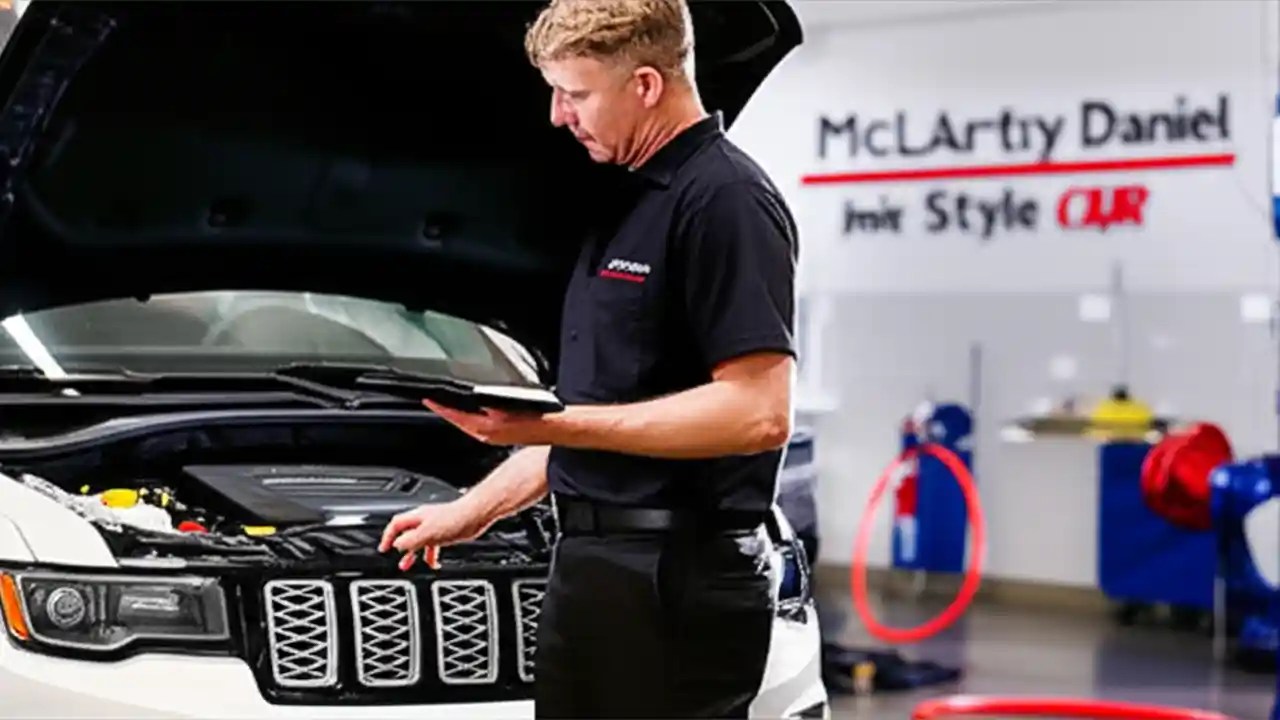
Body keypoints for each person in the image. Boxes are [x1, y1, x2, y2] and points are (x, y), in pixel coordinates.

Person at [378, 0, 799, 716]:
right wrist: (473, 510)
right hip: (595, 570)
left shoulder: (726, 201)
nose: (555, 115)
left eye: (574, 94)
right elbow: (605, 413)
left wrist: (556, 428)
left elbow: (758, 413)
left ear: (644, 85)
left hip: (679, 583)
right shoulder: (624, 204)